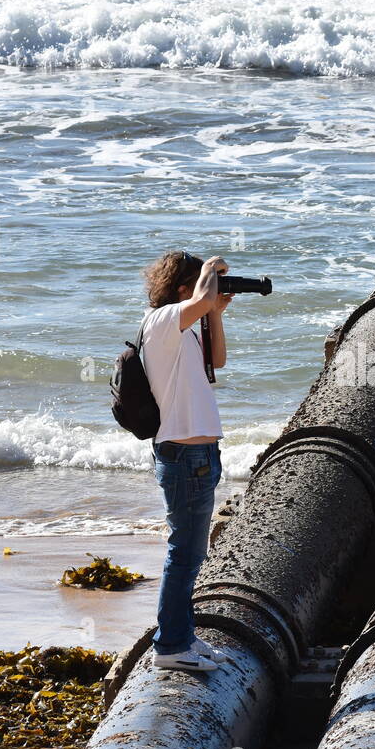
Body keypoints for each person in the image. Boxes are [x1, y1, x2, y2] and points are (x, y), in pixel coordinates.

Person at [140, 249, 232, 672]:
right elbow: (196, 301)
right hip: (184, 454)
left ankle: (183, 637)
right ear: (182, 288)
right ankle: (171, 647)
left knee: (191, 553)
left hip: (199, 453)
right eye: (199, 282)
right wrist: (211, 271)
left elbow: (219, 361)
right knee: (185, 553)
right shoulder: (161, 321)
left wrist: (216, 313)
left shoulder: (186, 328)